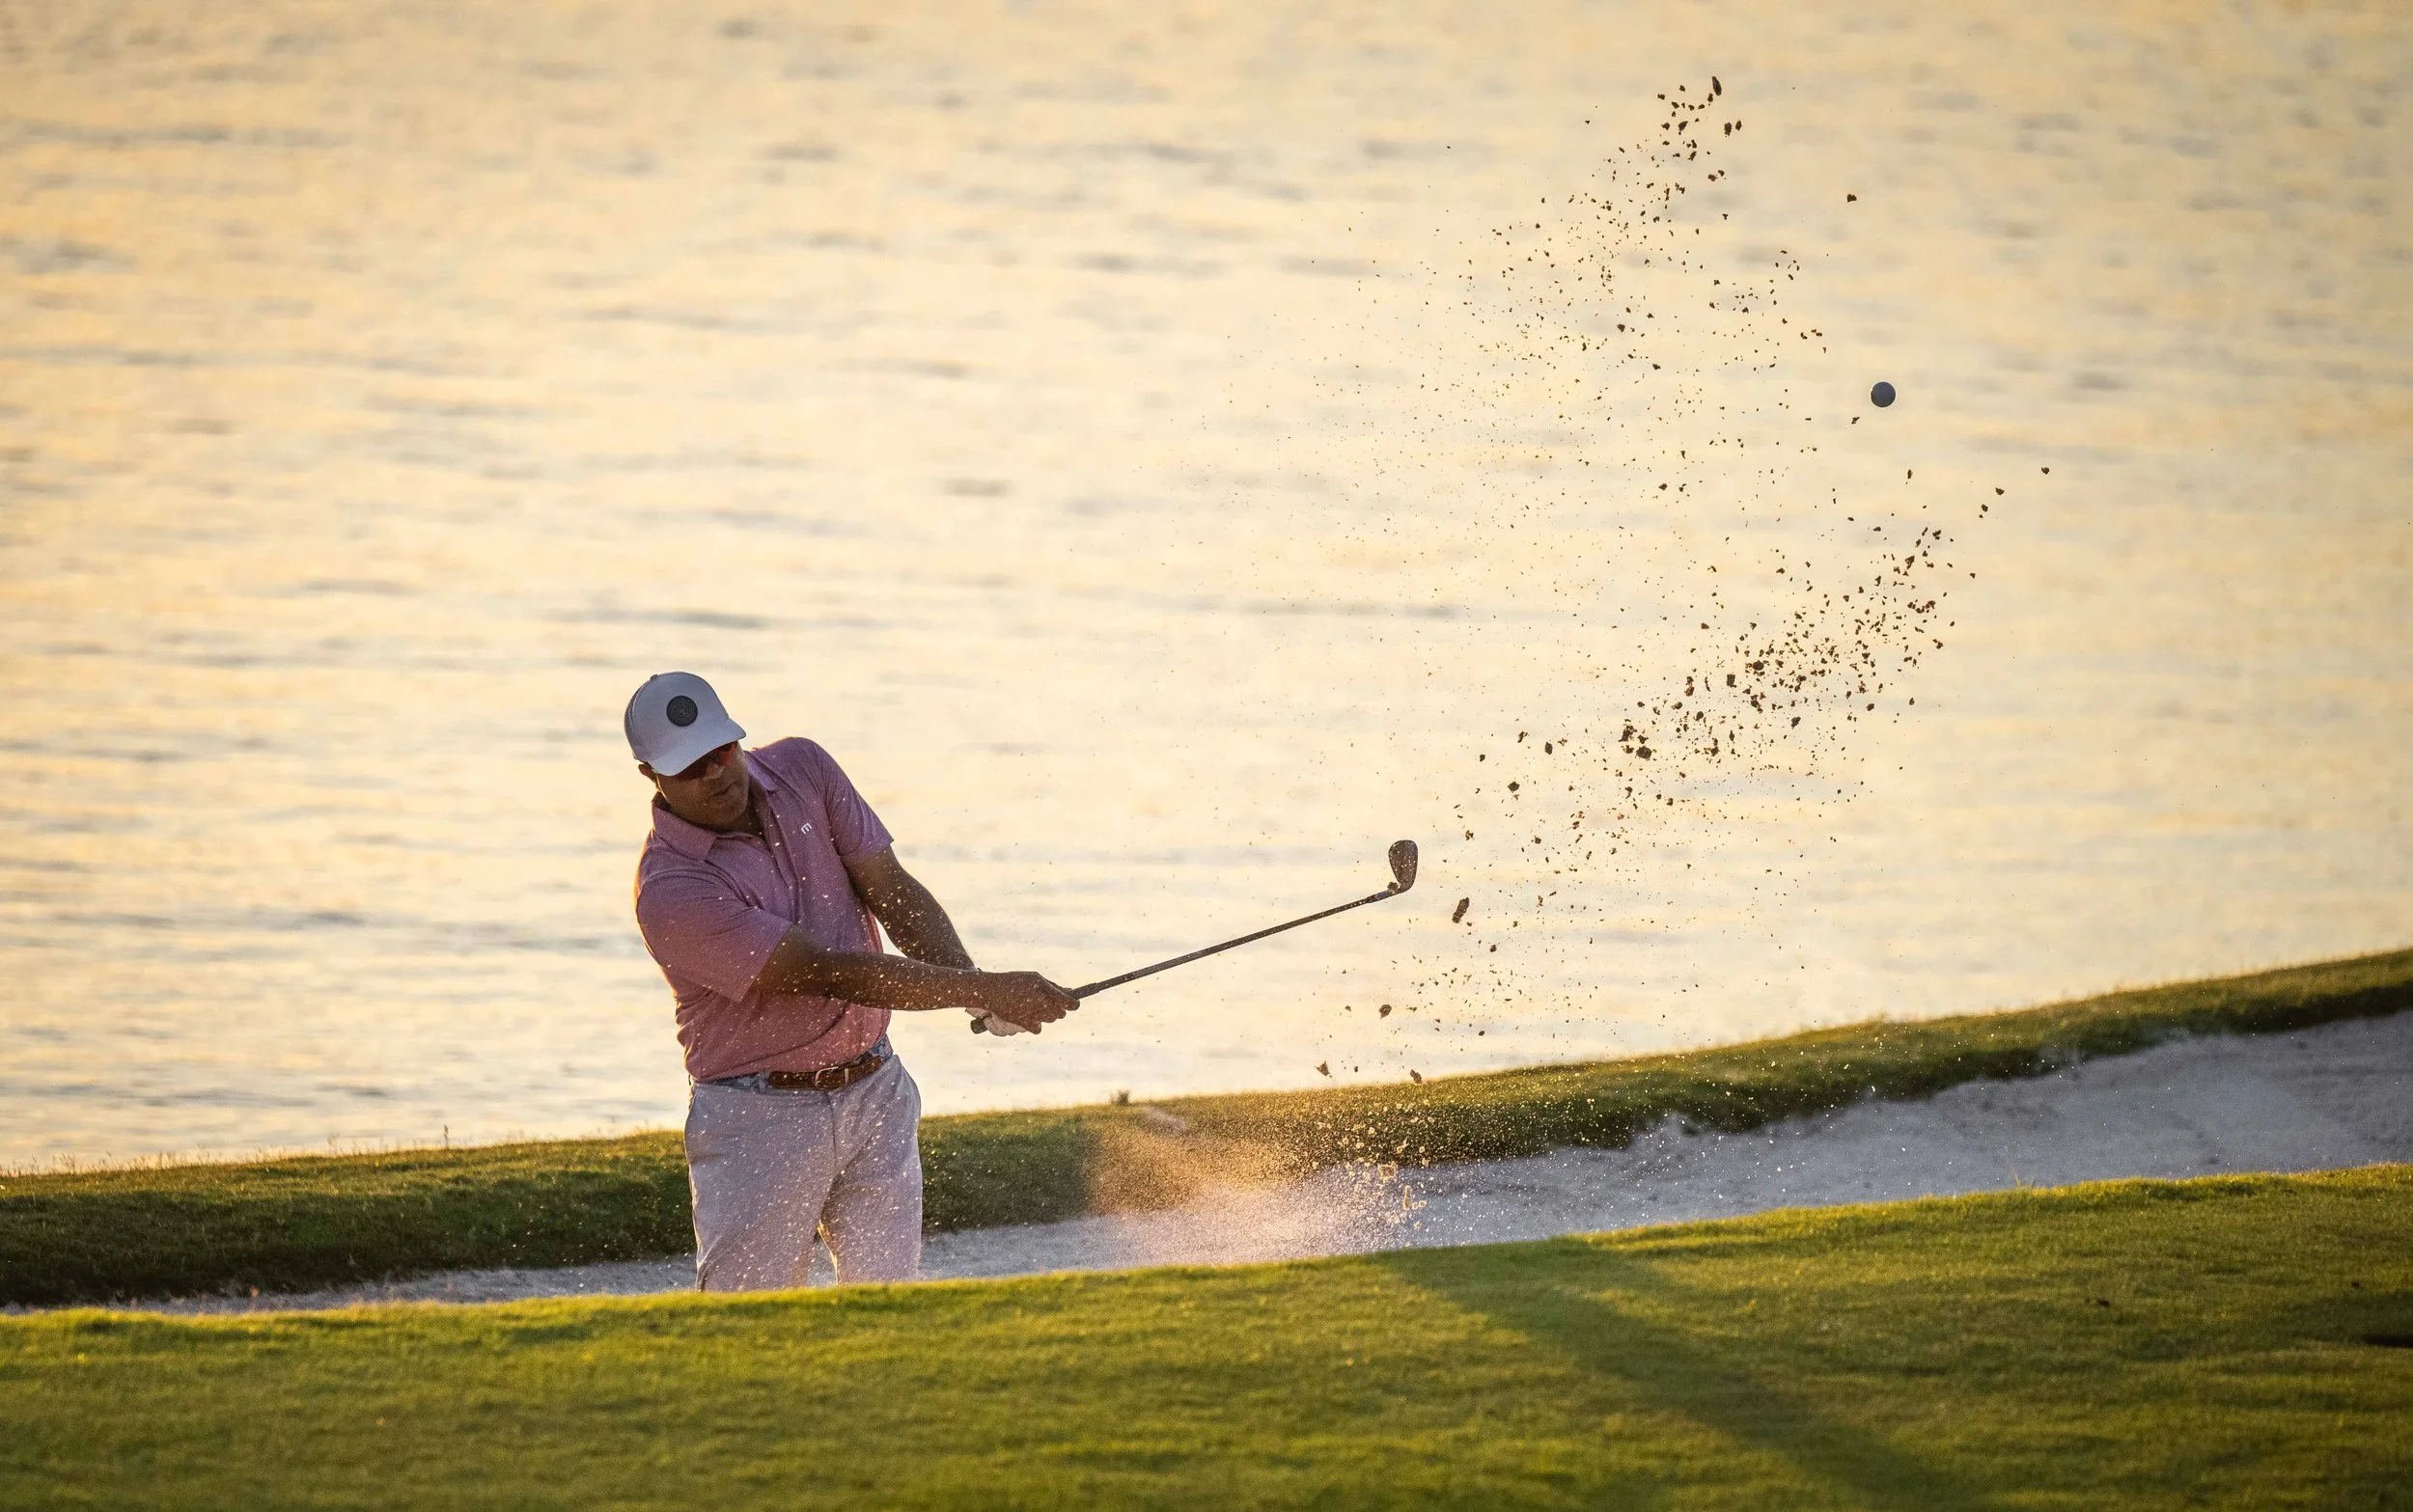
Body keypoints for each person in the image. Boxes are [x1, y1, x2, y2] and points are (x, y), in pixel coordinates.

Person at [624, 671, 1076, 1291]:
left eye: (721, 752)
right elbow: (828, 973)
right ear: (651, 775)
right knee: (747, 1320)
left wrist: (972, 984)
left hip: (876, 1091)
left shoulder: (804, 768)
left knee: (886, 1303)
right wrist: (983, 990)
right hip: (759, 1120)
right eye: (690, 768)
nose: (715, 775)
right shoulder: (672, 890)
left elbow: (891, 891)